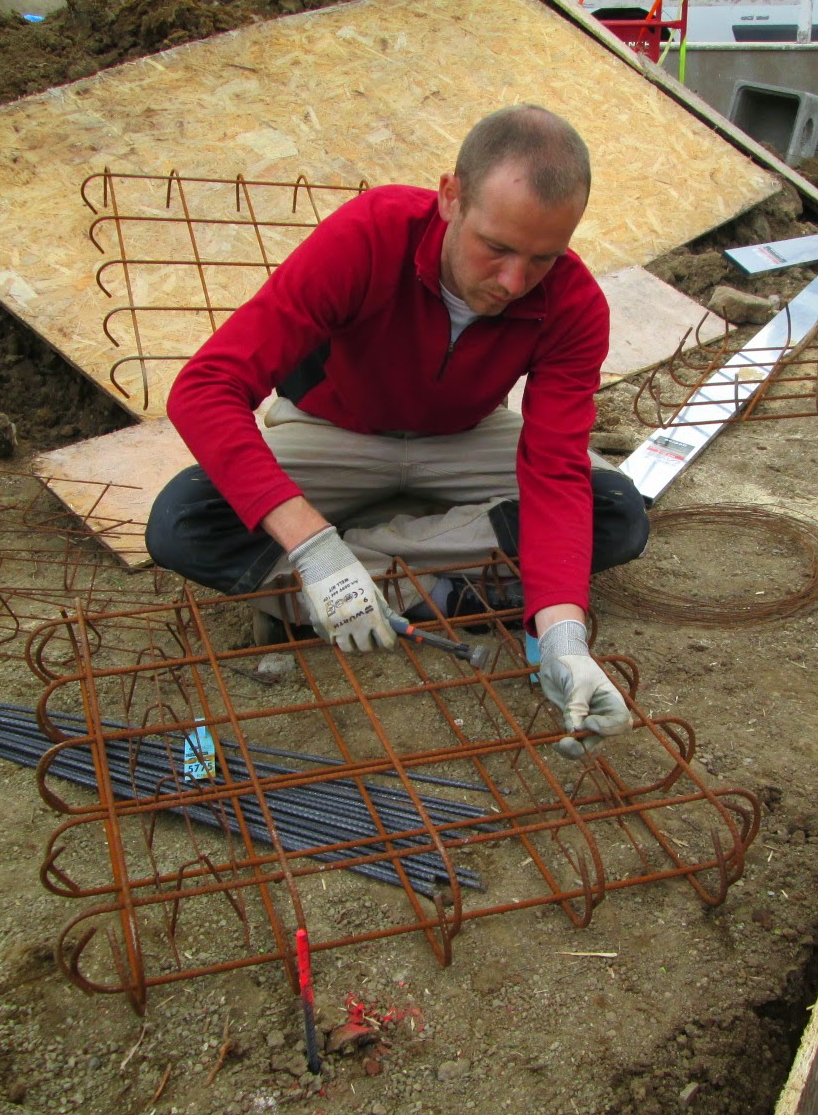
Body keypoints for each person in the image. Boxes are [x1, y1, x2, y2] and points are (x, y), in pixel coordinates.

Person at [146, 105, 650, 756]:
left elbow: (553, 470)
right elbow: (205, 386)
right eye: (496, 248)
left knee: (615, 513)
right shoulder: (369, 235)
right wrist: (315, 551)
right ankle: (432, 584)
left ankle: (348, 578)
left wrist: (563, 641)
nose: (513, 282)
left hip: (464, 437)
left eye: (542, 258)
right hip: (337, 429)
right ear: (451, 197)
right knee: (185, 523)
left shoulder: (574, 305)